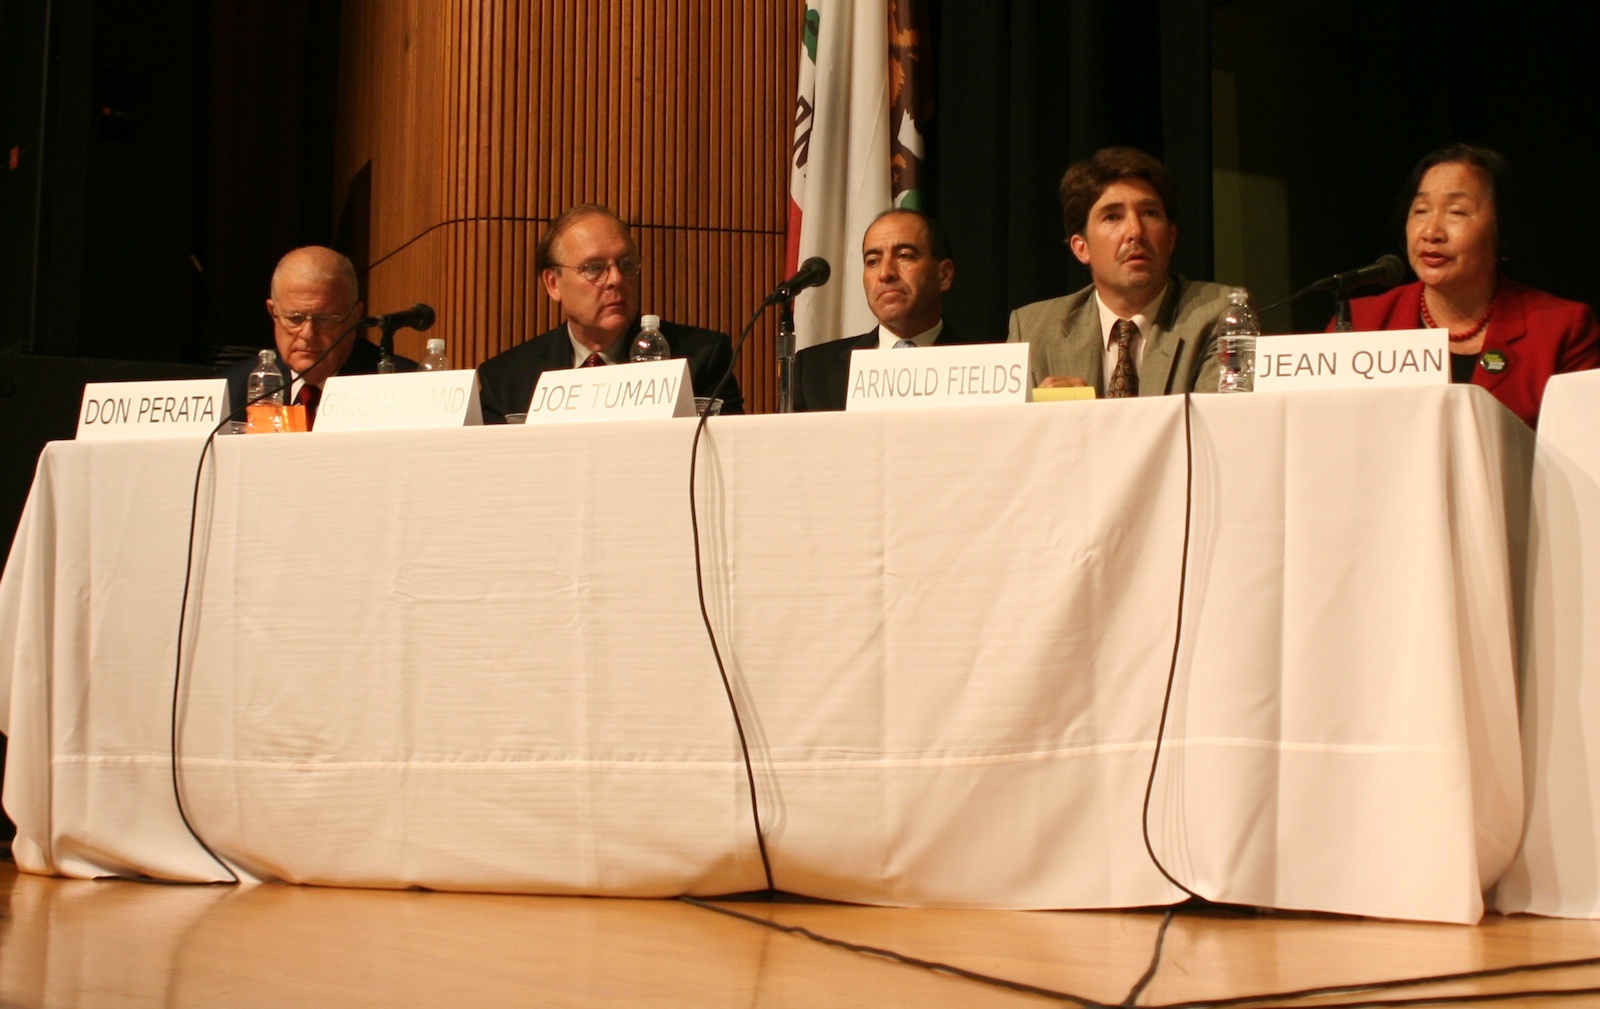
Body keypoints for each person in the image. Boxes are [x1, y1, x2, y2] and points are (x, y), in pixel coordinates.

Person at [1344, 144, 1600, 427]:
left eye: (1457, 212)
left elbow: (1579, 444)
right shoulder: (1360, 324)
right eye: (1421, 210)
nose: (1431, 232)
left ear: (1502, 229)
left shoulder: (1561, 329)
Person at [476, 205, 743, 421]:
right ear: (553, 284)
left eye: (625, 264)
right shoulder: (505, 380)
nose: (616, 279)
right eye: (594, 268)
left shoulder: (700, 359)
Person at [1007, 147, 1231, 396]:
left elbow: (1215, 418)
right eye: (1113, 217)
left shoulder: (1221, 315)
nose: (1135, 231)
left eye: (1149, 213)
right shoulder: (1033, 330)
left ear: (1170, 237)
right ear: (1082, 247)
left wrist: (1084, 415)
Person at [222, 245, 412, 427]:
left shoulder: (406, 387)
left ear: (355, 316)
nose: (307, 334)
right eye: (295, 318)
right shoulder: (231, 393)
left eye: (324, 319)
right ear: (273, 312)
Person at [793, 208, 958, 412]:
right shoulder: (813, 371)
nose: (885, 273)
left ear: (944, 275)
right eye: (872, 261)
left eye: (904, 256)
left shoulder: (984, 364)